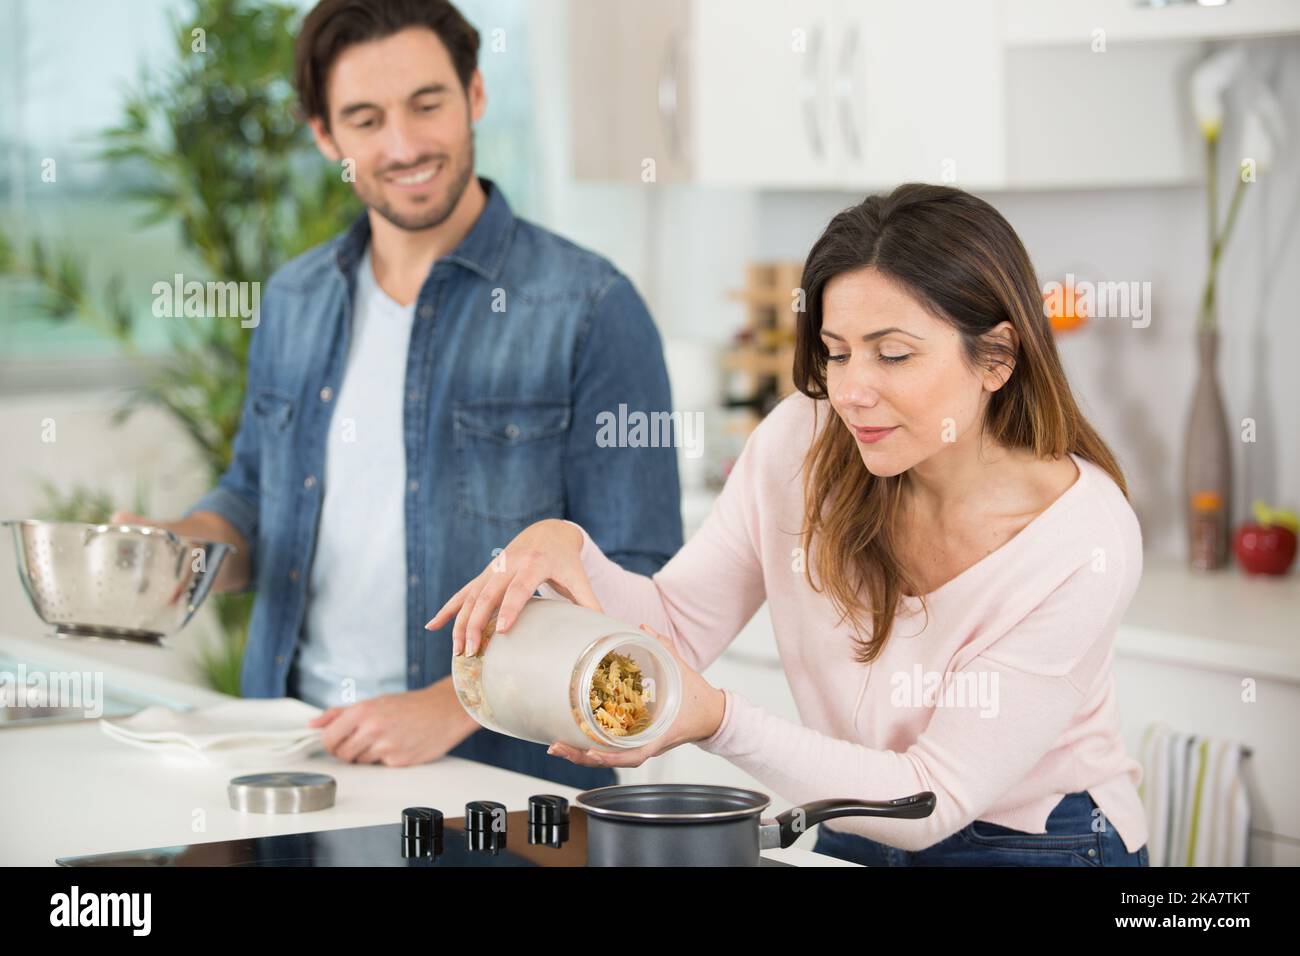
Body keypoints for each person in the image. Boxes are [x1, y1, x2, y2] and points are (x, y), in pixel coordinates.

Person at [431, 183, 1151, 865]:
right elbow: (674, 628)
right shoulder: (801, 444)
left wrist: (716, 720)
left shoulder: (1082, 540)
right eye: (836, 353)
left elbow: (934, 797)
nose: (852, 391)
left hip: (1035, 840)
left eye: (893, 354)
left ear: (995, 357)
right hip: (848, 813)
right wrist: (568, 548)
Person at [113, 0, 681, 789]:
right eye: (366, 118)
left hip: (502, 786)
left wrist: (457, 703)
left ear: (475, 95)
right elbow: (252, 497)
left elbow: (642, 582)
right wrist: (184, 554)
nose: (405, 145)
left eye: (427, 104)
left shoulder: (593, 307)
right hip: (296, 760)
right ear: (326, 137)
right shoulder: (293, 298)